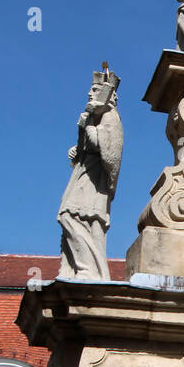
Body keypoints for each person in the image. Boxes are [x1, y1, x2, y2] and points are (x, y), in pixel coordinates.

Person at [57, 68, 123, 280]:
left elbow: (105, 147)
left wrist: (87, 126)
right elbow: (88, 146)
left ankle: (87, 269)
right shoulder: (97, 118)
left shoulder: (111, 117)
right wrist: (76, 150)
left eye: (95, 90)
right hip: (84, 173)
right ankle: (76, 268)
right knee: (75, 217)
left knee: (71, 215)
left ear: (107, 94)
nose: (89, 94)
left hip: (95, 180)